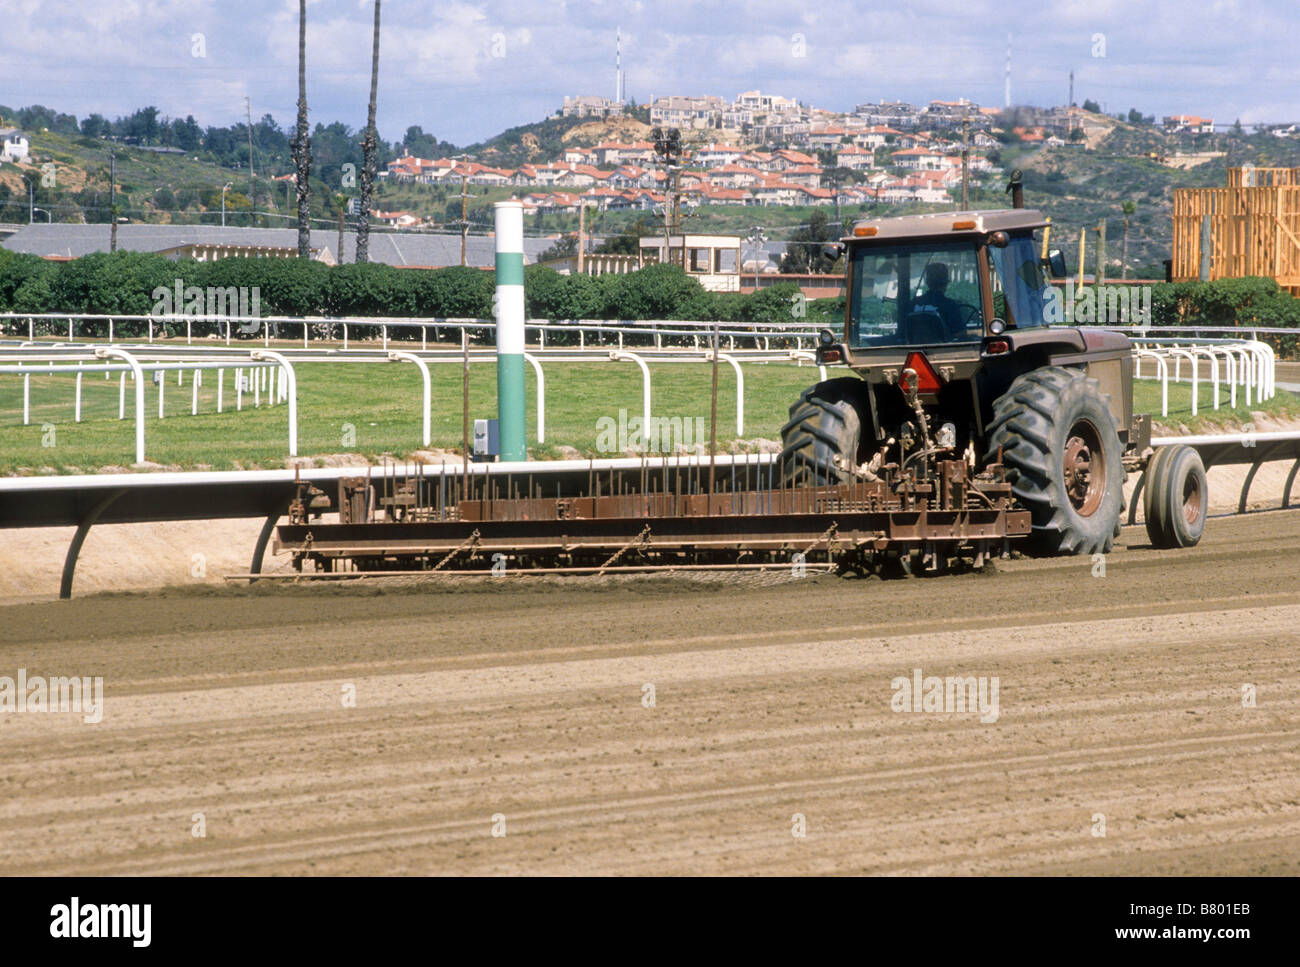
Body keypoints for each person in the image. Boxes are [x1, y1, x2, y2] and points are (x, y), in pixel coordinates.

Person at [911, 262, 966, 340]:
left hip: (915, 347)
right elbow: (960, 334)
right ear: (945, 283)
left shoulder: (913, 304)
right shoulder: (950, 306)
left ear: (928, 283)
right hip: (943, 350)